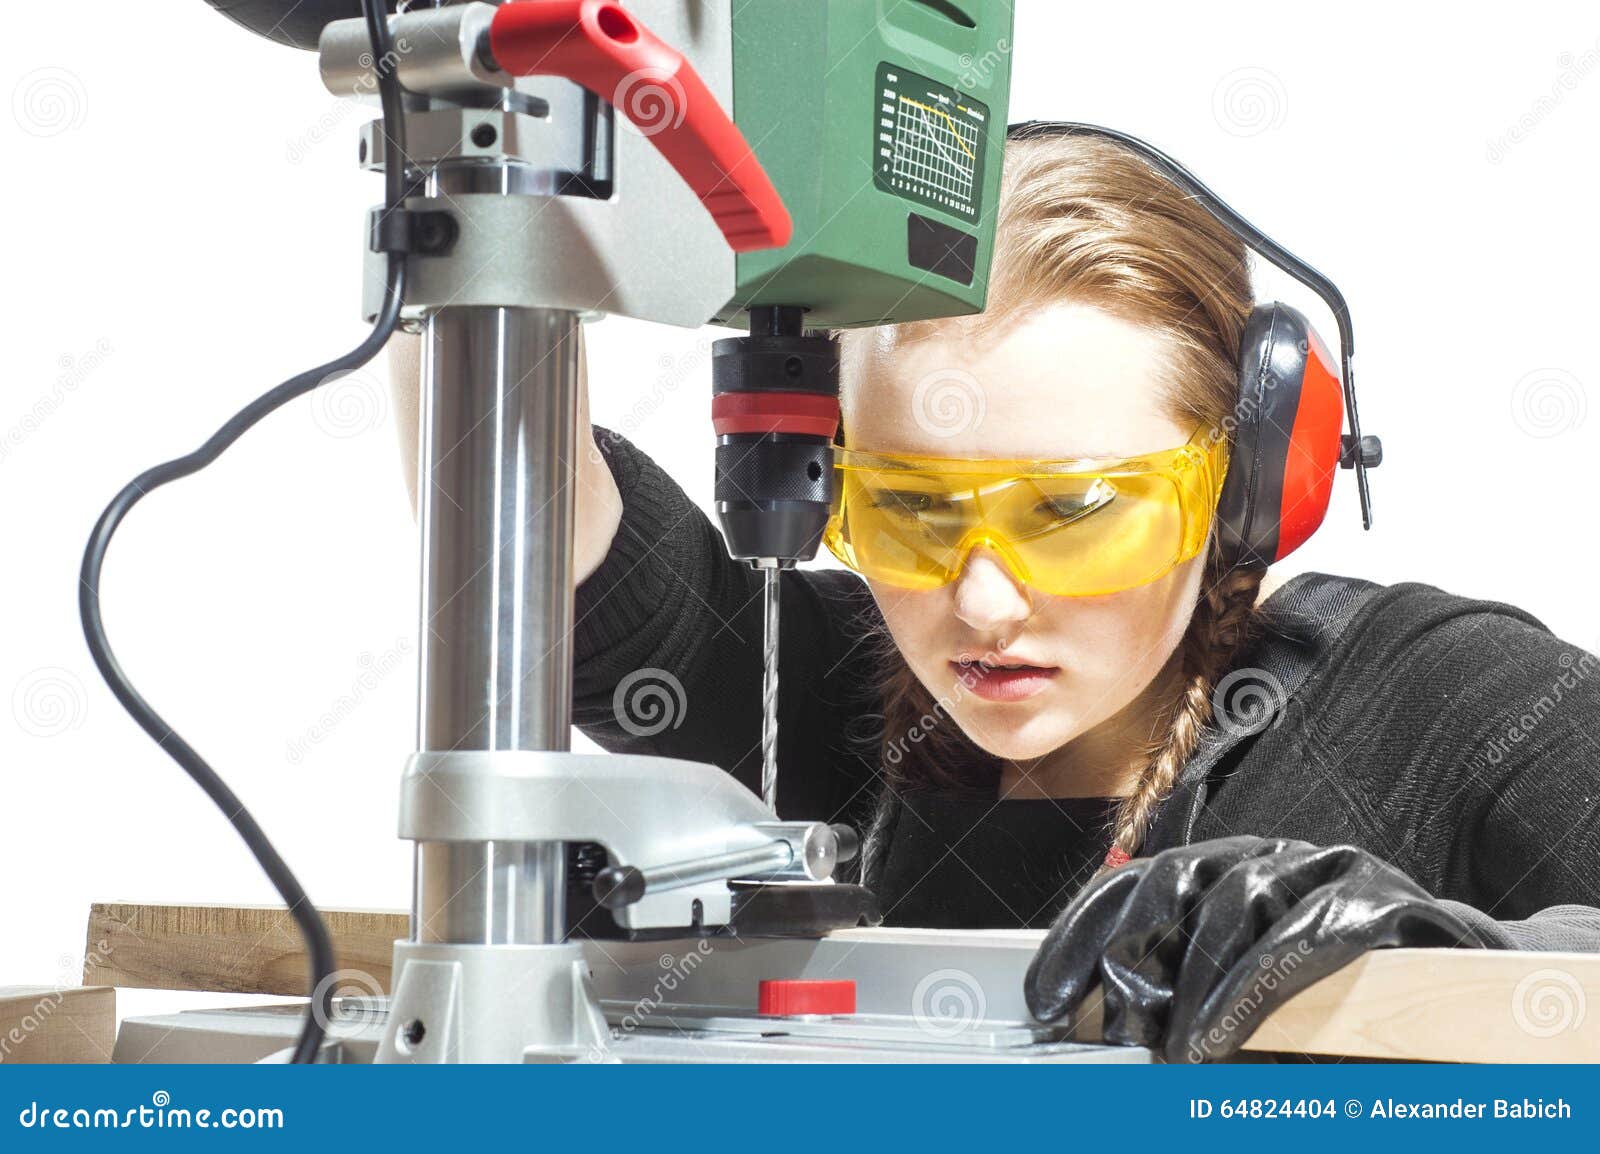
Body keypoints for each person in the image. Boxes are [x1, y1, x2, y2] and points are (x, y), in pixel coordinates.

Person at [391, 129, 1600, 1062]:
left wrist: (1453, 953)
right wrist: (462, 146)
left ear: (1249, 486)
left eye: (1072, 512)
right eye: (911, 509)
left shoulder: (1447, 702)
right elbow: (531, 530)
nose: (979, 602)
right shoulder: (818, 694)